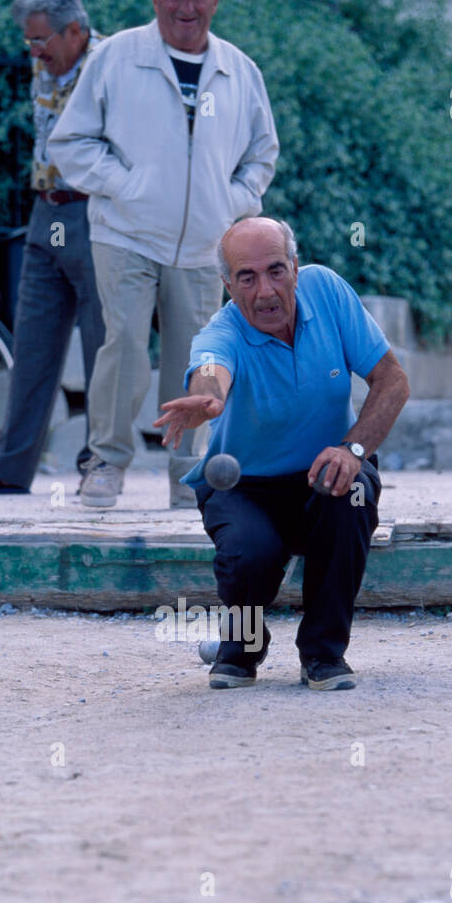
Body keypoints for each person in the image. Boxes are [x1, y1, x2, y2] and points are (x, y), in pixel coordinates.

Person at [48, 0, 279, 509]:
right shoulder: (115, 57)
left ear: (216, 1)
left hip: (205, 240)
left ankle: (187, 469)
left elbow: (263, 154)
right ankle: (106, 460)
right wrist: (128, 186)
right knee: (125, 341)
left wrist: (230, 203)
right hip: (125, 231)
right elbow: (71, 141)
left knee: (198, 357)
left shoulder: (240, 70)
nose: (186, 6)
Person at [155, 217, 410, 690]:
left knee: (350, 490)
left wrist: (352, 449)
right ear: (228, 285)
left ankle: (323, 654)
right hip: (244, 486)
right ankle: (242, 648)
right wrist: (208, 396)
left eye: (275, 270)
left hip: (328, 468)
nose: (265, 290)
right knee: (251, 551)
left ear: (295, 266)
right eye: (246, 278)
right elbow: (211, 369)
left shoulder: (327, 291)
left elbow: (392, 380)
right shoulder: (220, 331)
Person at [0, 0, 105, 496]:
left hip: (97, 215)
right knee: (32, 343)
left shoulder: (113, 66)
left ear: (76, 30)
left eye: (42, 40)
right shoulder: (46, 64)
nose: (34, 51)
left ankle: (99, 466)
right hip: (47, 211)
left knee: (103, 345)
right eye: (29, 41)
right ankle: (9, 470)